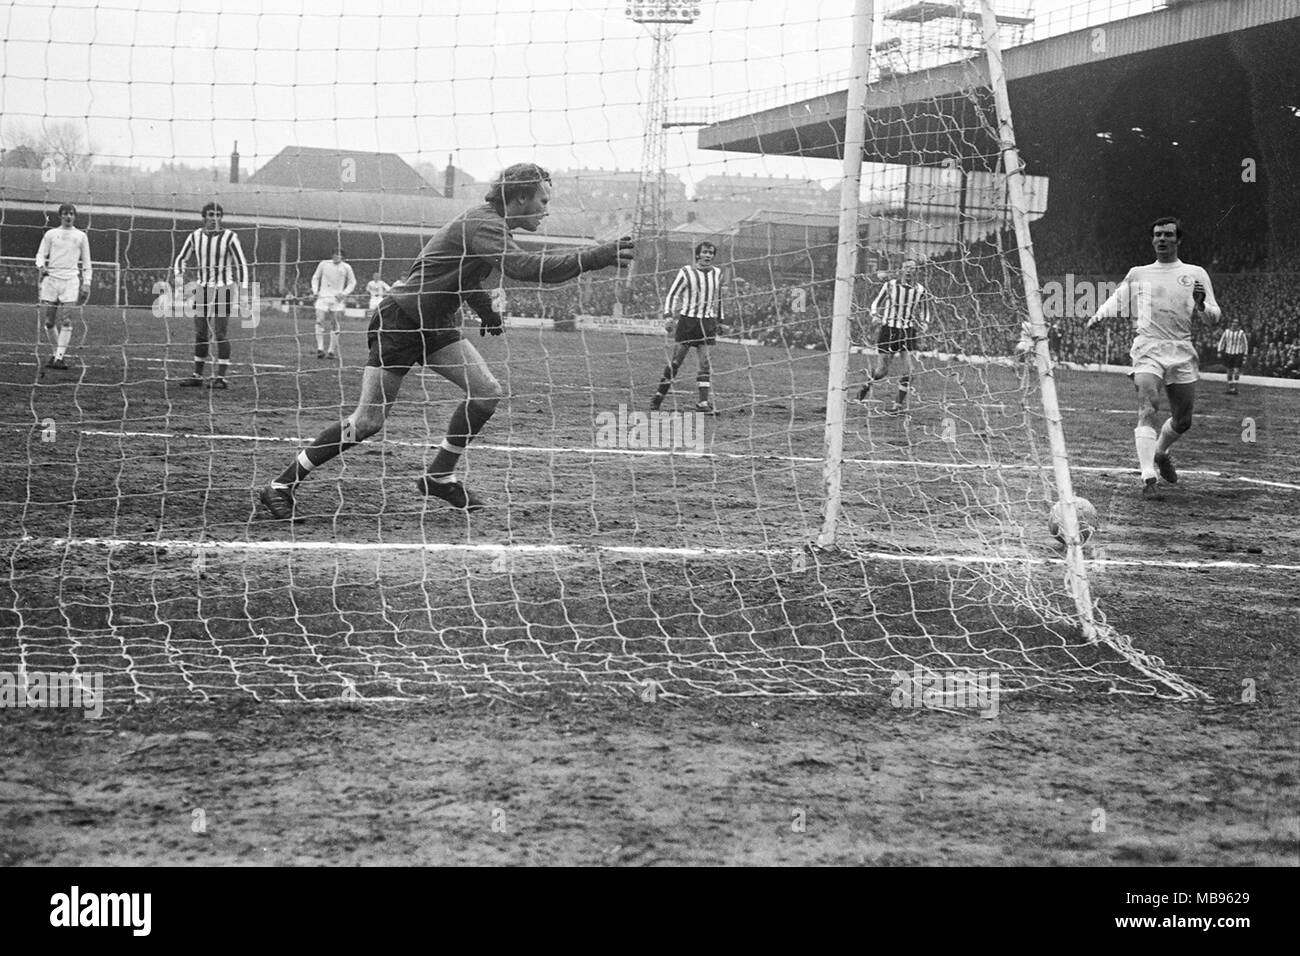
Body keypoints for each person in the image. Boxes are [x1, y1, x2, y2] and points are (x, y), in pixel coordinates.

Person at [258, 162, 633, 520]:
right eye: (543, 201)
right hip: (402, 320)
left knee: (486, 392)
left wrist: (485, 310)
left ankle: (439, 477)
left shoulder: (490, 225)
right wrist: (595, 256)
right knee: (368, 420)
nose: (545, 211)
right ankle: (281, 485)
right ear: (519, 198)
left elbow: (464, 277)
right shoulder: (484, 223)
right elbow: (521, 268)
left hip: (436, 324)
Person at [1086, 217, 1221, 497]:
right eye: (1157, 235)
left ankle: (1161, 452)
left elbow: (1214, 319)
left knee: (1183, 420)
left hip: (1181, 349)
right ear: (1152, 240)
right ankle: (1148, 476)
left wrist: (1200, 305)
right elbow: (1118, 298)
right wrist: (1099, 315)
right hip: (1147, 346)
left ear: (1178, 240)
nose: (1162, 239)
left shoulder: (1195, 273)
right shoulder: (1139, 272)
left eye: (1168, 235)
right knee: (1148, 406)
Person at [172, 202, 249, 390]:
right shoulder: (195, 236)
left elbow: (241, 265)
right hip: (203, 289)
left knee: (220, 333)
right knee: (200, 333)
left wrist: (244, 291)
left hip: (224, 289)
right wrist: (179, 279)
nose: (214, 218)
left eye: (218, 215)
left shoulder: (230, 237)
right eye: (210, 214)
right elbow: (181, 258)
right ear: (204, 217)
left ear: (221, 217)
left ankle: (221, 378)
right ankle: (197, 375)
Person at [651, 240, 724, 414]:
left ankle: (703, 403)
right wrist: (669, 316)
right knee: (676, 363)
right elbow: (672, 294)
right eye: (705, 252)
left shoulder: (718, 273)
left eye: (711, 253)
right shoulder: (686, 272)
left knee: (705, 364)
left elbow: (718, 298)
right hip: (688, 322)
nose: (708, 255)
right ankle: (658, 397)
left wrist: (720, 320)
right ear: (698, 254)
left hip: (707, 323)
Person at [855, 258, 929, 413]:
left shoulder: (921, 290)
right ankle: (866, 386)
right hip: (888, 330)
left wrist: (925, 323)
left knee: (910, 371)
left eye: (912, 268)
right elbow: (876, 303)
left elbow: (925, 310)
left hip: (907, 332)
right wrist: (875, 315)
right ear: (901, 270)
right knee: (882, 371)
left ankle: (897, 405)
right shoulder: (890, 285)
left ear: (917, 272)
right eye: (906, 267)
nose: (909, 270)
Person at [35, 203, 92, 371]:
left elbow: (87, 262)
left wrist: (87, 282)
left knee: (66, 319)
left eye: (71, 213)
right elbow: (40, 254)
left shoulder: (81, 236)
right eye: (65, 213)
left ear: (75, 216)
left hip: (70, 281)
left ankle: (60, 358)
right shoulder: (51, 234)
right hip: (52, 280)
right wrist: (41, 266)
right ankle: (56, 354)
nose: (68, 216)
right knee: (49, 322)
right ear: (60, 215)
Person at [311, 249, 357, 359]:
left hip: (336, 299)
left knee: (334, 322)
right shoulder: (324, 263)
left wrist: (344, 293)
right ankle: (320, 348)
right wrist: (315, 291)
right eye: (335, 254)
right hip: (323, 297)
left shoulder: (346, 267)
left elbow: (352, 282)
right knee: (319, 320)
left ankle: (331, 350)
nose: (336, 256)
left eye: (339, 255)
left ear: (343, 258)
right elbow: (315, 277)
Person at [1217, 317, 1248, 395]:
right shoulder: (1227, 332)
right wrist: (1219, 351)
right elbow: (1222, 341)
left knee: (1236, 370)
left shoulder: (1241, 333)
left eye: (1236, 323)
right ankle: (1231, 388)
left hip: (1238, 353)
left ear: (1238, 324)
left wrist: (1245, 355)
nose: (1235, 324)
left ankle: (1235, 389)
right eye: (1234, 322)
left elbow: (1245, 344)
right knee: (1229, 371)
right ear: (1231, 323)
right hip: (1228, 353)